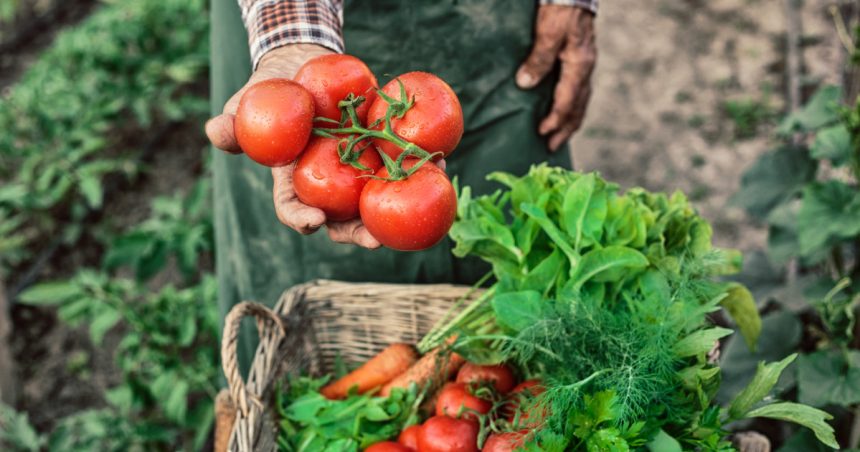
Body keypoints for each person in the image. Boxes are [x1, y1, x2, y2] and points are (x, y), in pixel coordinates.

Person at [206, 0, 597, 370]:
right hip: (297, 24)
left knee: (521, 252)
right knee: (294, 333)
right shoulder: (313, 107)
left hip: (496, 33)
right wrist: (294, 38)